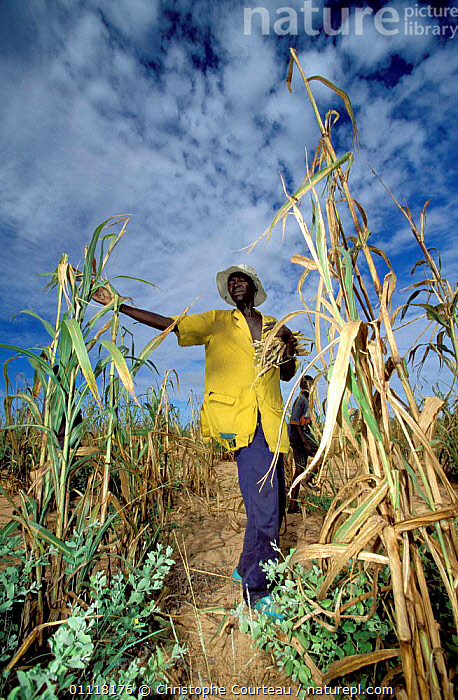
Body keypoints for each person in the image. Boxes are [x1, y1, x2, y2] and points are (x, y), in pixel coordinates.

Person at [93, 264, 297, 617]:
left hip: (273, 426)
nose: (235, 283)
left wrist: (290, 348)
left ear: (254, 287)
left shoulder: (274, 326)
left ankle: (245, 567)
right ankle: (259, 590)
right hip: (241, 423)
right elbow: (172, 324)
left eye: (241, 279)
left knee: (272, 506)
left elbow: (287, 372)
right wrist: (119, 307)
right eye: (230, 281)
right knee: (265, 511)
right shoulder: (217, 321)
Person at [287, 375, 318, 512]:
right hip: (299, 439)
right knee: (321, 455)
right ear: (304, 385)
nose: (312, 387)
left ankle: (292, 506)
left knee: (299, 470)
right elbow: (295, 423)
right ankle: (307, 480)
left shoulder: (307, 401)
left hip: (302, 438)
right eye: (310, 384)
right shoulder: (300, 401)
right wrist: (305, 442)